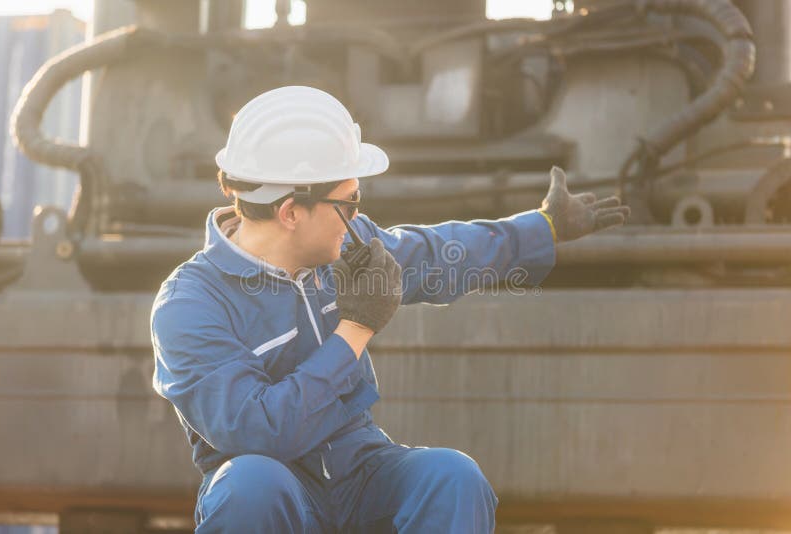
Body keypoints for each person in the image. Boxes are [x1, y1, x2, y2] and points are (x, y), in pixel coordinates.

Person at [150, 85, 629, 533]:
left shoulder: (347, 245)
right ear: (291, 212)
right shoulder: (189, 305)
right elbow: (260, 433)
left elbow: (437, 254)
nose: (358, 214)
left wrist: (543, 228)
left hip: (359, 467)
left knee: (452, 477)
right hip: (275, 488)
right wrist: (355, 328)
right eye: (349, 200)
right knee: (249, 485)